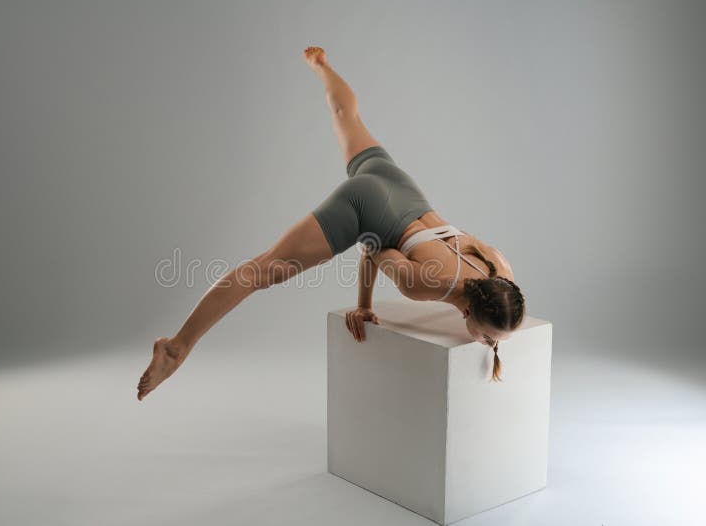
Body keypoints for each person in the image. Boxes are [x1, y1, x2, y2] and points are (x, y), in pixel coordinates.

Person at [137, 46, 526, 400]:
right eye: (490, 338)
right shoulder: (426, 285)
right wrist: (363, 307)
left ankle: (320, 64)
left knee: (347, 117)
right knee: (262, 271)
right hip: (366, 204)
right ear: (470, 314)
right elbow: (373, 248)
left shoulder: (501, 268)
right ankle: (175, 348)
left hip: (400, 185)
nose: (490, 344)